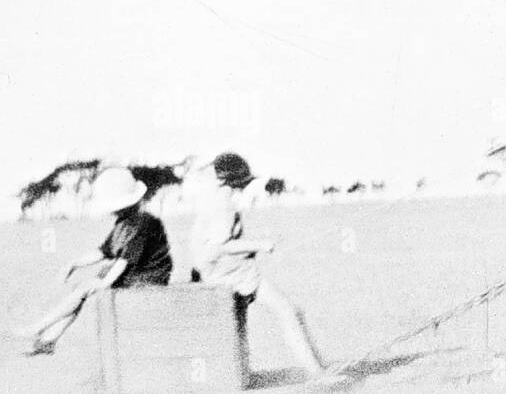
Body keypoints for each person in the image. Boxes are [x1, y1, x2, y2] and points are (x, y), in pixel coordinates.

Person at [188, 152, 332, 380]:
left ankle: (241, 376)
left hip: (215, 274)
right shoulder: (224, 205)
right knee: (288, 311)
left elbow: (210, 246)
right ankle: (317, 372)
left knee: (239, 326)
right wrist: (262, 245)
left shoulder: (211, 200)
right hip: (233, 275)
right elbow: (221, 245)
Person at [10, 166, 173, 355]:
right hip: (136, 274)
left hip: (149, 279)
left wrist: (105, 282)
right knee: (82, 288)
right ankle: (48, 340)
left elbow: (124, 260)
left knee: (86, 287)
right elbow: (104, 252)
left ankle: (39, 329)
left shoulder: (142, 224)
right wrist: (74, 264)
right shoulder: (126, 223)